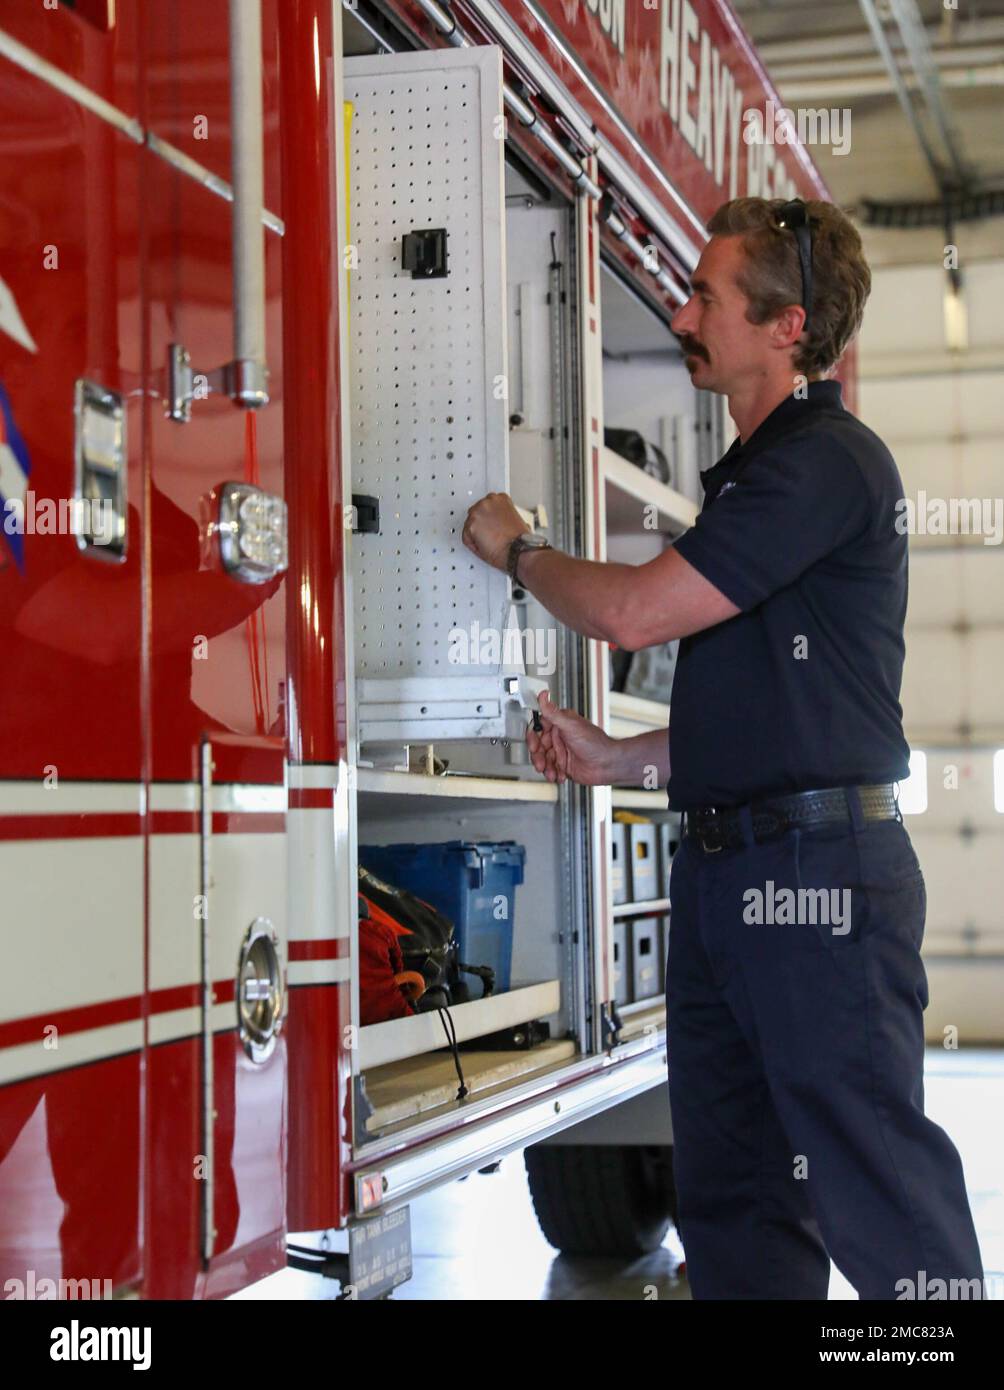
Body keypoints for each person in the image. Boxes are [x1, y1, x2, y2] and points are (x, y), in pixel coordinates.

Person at [461, 196, 984, 1301]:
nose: (682, 310)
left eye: (704, 295)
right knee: (736, 1196)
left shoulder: (825, 462)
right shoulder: (751, 478)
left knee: (872, 1185)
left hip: (817, 882)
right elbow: (767, 722)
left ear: (785, 326)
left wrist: (519, 549)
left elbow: (632, 615)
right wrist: (618, 758)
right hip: (732, 868)